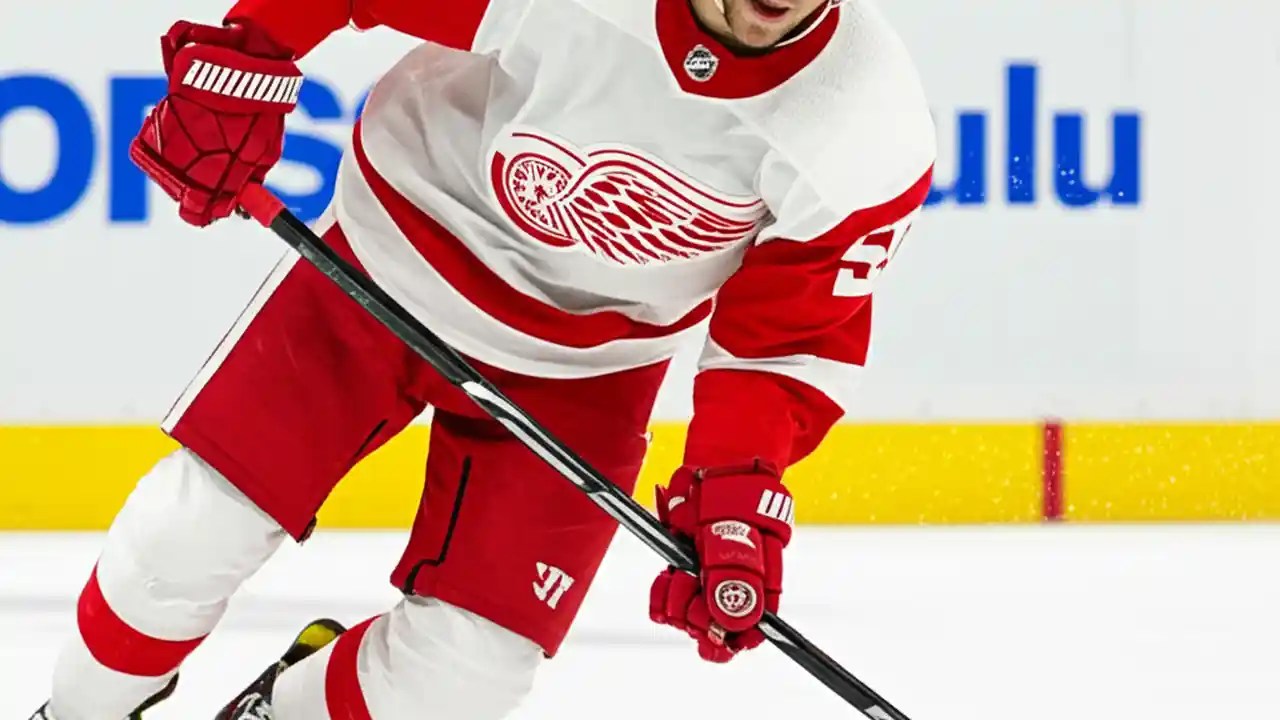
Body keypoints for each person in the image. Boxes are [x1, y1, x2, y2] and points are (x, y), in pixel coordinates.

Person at [30, 0, 935, 718]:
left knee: (466, 677)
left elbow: (789, 337)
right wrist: (250, 51)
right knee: (187, 539)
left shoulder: (865, 126)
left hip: (586, 373)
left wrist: (737, 484)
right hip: (390, 261)